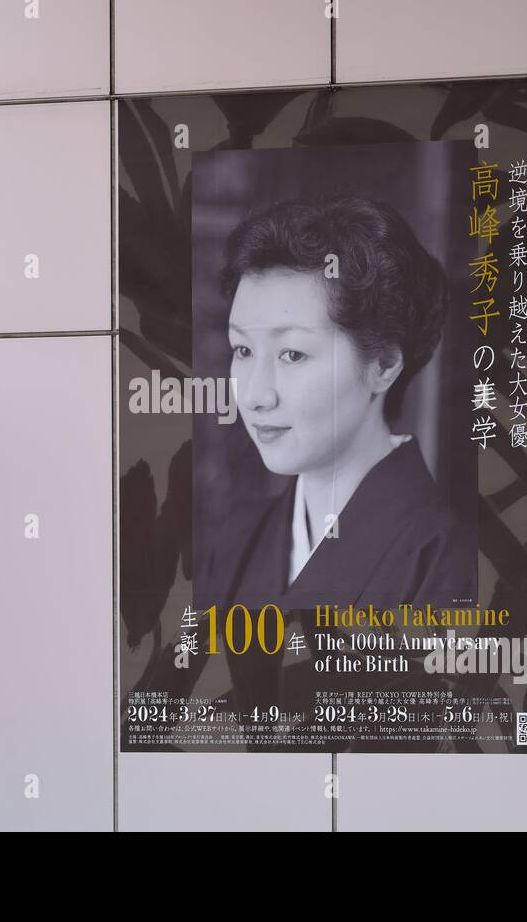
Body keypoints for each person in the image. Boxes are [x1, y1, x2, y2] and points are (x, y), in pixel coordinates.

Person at [193, 195, 476, 746]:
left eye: (293, 355)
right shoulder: (234, 542)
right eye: (242, 351)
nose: (254, 396)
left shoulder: (449, 560)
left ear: (384, 363)